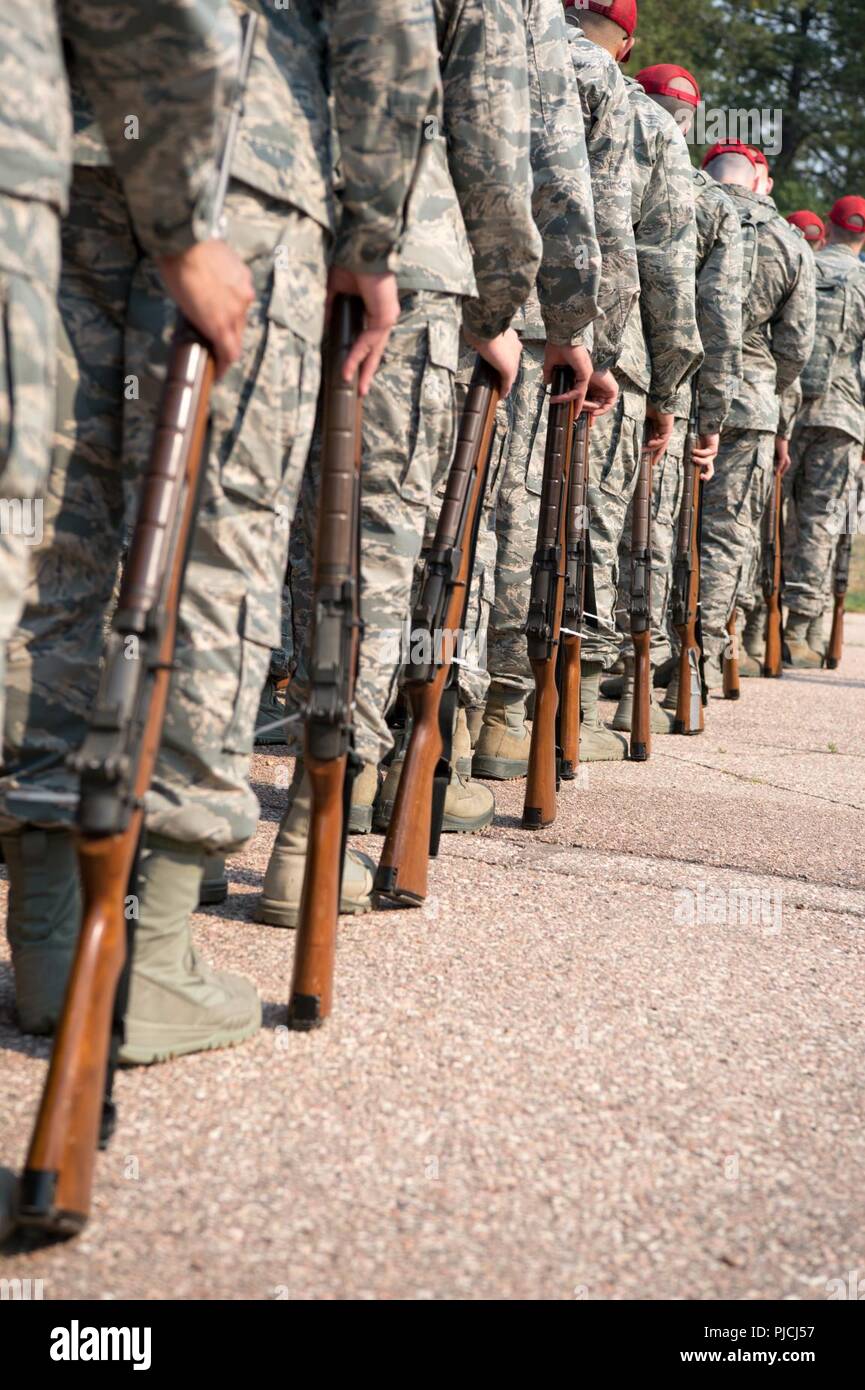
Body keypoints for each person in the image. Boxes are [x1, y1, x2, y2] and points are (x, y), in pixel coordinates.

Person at [0, 0, 440, 1054]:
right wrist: (372, 235)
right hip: (241, 156)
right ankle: (147, 959)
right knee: (208, 549)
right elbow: (387, 27)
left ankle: (52, 939)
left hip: (63, 138)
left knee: (57, 535)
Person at [255, 0, 544, 927]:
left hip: (241, 219)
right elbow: (491, 147)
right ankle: (312, 837)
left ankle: (168, 837)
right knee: (371, 547)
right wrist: (495, 311)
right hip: (405, 262)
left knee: (238, 522)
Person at [471, 0, 637, 779]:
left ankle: (382, 724)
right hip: (533, 327)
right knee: (518, 524)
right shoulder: (588, 71)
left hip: (412, 285)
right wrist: (588, 336)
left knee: (421, 515)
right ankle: (498, 715)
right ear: (626, 39)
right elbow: (596, 213)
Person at [565, 0, 703, 760]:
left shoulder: (498, 46)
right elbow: (662, 271)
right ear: (626, 38)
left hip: (475, 322)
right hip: (607, 357)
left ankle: (453, 709)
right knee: (585, 526)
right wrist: (665, 392)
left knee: (483, 523)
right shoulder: (640, 120)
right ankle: (560, 704)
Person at [618, 63, 743, 721]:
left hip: (579, 354)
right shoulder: (715, 205)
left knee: (567, 516)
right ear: (690, 120)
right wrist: (703, 415)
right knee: (648, 531)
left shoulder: (594, 133)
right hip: (662, 378)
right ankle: (620, 675)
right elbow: (718, 320)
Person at [696, 141, 815, 688]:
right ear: (762, 182)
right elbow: (795, 347)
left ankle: (633, 664)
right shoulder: (790, 242)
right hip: (749, 402)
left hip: (677, 390)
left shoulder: (688, 204)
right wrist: (764, 386)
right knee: (724, 536)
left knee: (653, 528)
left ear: (707, 169)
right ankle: (695, 662)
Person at [782, 195, 865, 666]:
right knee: (821, 521)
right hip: (844, 417)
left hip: (788, 412)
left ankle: (754, 628)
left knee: (770, 519)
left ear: (829, 229)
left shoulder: (803, 265)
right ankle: (798, 629)